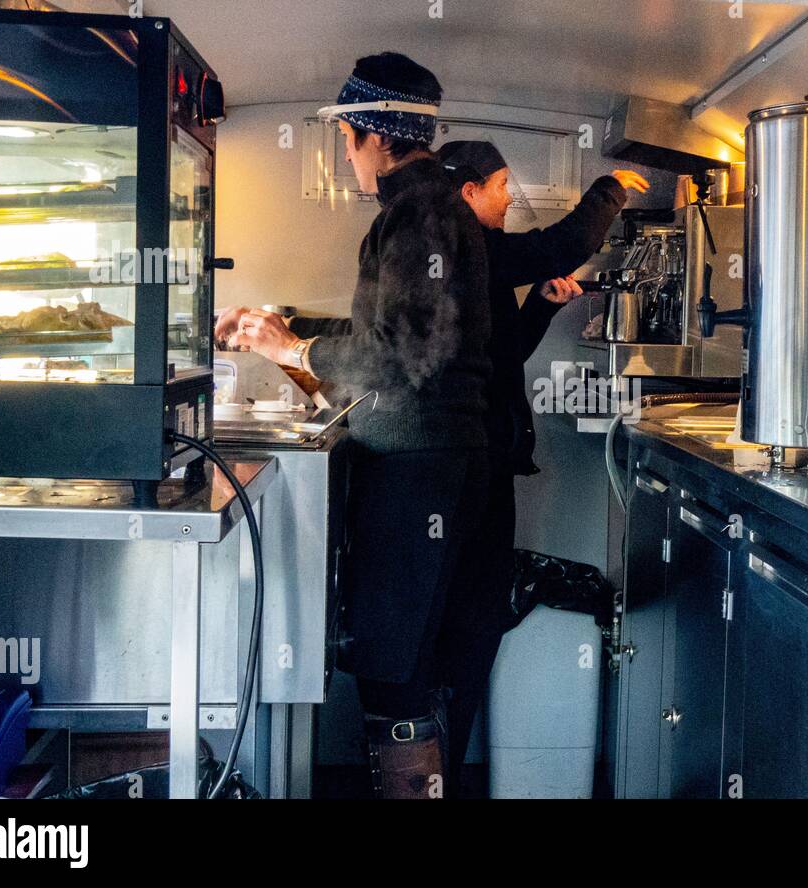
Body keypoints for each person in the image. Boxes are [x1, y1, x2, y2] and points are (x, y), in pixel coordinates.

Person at [215, 53, 490, 799]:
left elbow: (404, 356)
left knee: (395, 670)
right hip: (427, 464)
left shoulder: (419, 216)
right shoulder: (426, 209)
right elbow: (389, 329)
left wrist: (291, 348)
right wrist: (286, 325)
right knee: (399, 663)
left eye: (347, 136)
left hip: (419, 469)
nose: (346, 154)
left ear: (373, 133)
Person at [434, 140, 648, 790]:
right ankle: (432, 773)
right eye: (501, 185)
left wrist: (542, 307)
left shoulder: (470, 261)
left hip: (482, 470)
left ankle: (437, 770)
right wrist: (611, 189)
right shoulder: (460, 248)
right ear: (469, 191)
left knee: (469, 633)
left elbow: (505, 357)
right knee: (463, 637)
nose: (509, 198)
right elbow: (562, 242)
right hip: (461, 477)